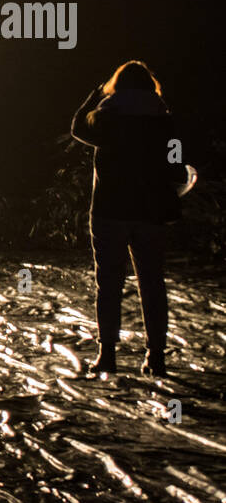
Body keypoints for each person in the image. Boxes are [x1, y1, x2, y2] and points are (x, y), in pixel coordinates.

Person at [70, 61, 185, 377]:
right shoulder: (164, 122)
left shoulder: (106, 117)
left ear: (116, 86)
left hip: (111, 210)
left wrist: (93, 97)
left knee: (108, 283)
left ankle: (107, 355)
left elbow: (77, 127)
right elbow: (176, 162)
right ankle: (156, 357)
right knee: (152, 282)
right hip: (150, 213)